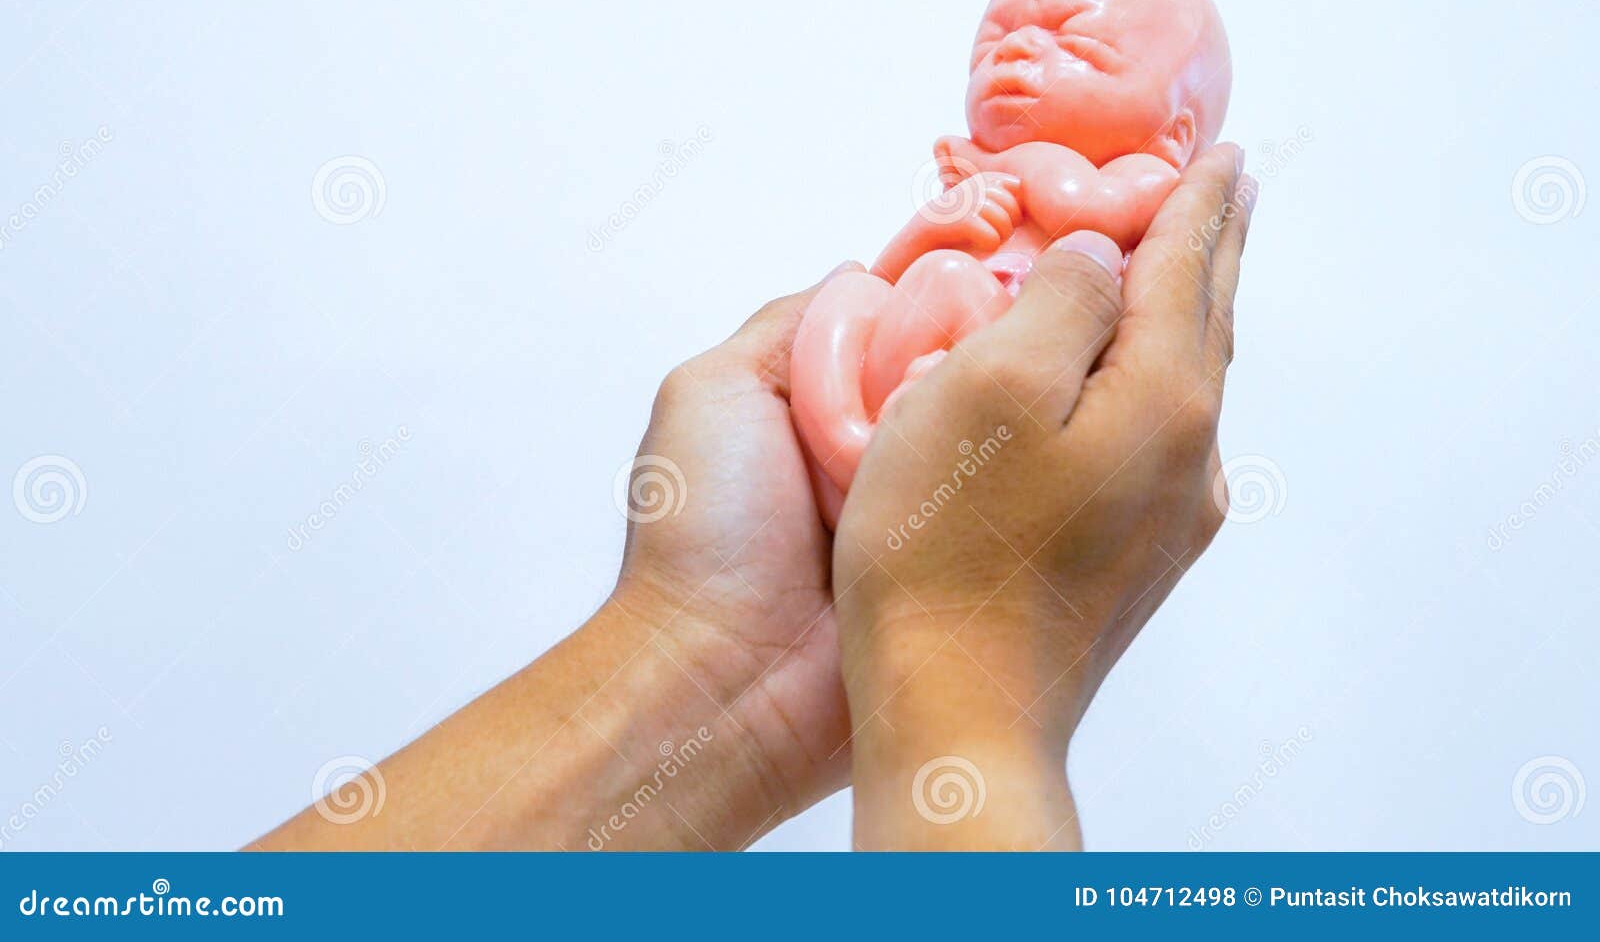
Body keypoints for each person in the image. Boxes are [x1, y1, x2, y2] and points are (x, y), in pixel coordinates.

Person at [252, 143, 1254, 852]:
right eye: (1005, 37)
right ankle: (858, 427)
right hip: (900, 371)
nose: (1023, 54)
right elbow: (901, 270)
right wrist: (966, 658)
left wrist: (714, 651)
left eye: (1073, 43)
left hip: (931, 386)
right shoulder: (990, 187)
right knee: (860, 296)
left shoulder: (1096, 188)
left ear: (1173, 127)